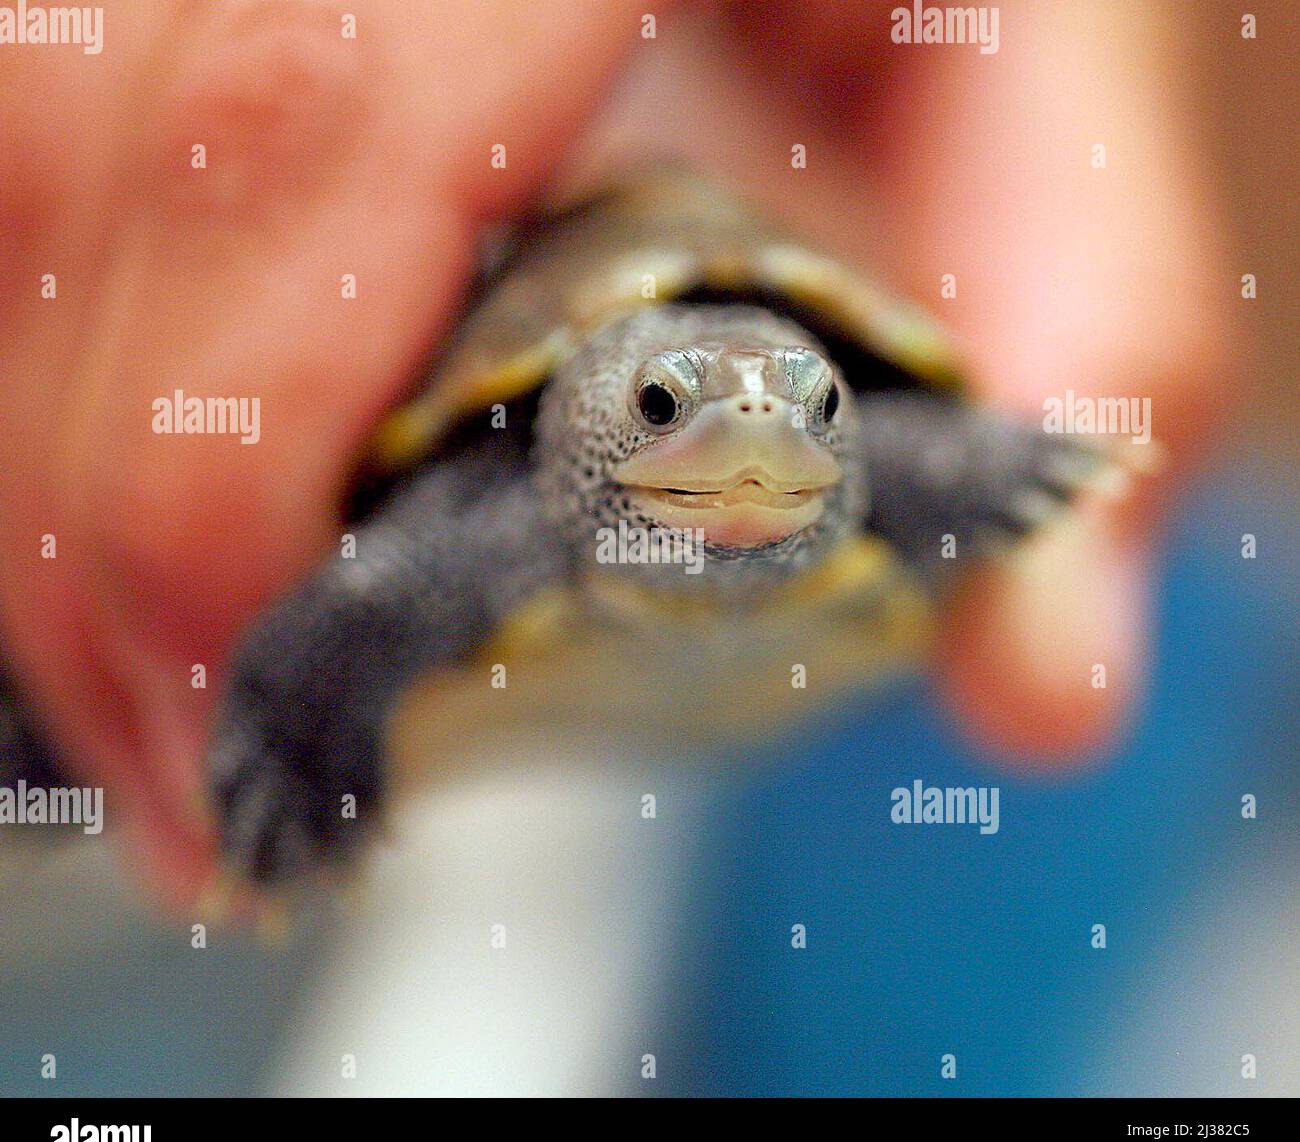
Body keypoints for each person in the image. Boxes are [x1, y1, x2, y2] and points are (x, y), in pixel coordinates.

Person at [0, 1, 1231, 903]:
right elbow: (358, 598)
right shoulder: (490, 524)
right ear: (587, 428)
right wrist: (296, 743)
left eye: (809, 407)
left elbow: (938, 442)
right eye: (664, 412)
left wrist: (1016, 464)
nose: (752, 433)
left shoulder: (889, 469)